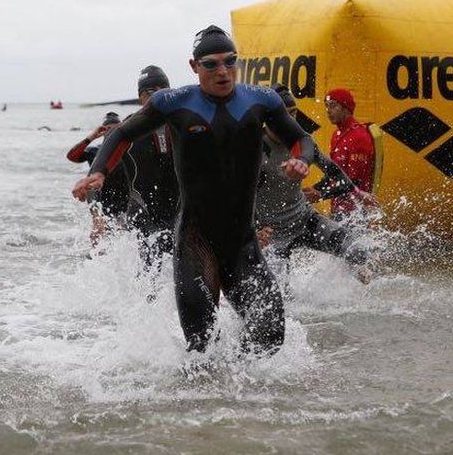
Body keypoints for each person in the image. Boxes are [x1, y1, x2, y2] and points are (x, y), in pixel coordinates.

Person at [72, 25, 315, 357]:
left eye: (230, 62)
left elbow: (301, 138)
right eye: (211, 64)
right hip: (194, 243)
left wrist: (301, 160)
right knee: (201, 350)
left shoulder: (261, 101)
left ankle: (243, 398)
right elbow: (121, 135)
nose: (223, 71)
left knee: (270, 336)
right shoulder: (174, 103)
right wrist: (98, 172)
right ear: (194, 66)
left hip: (242, 242)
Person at [255, 86, 365, 264]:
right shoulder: (254, 146)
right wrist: (256, 229)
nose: (290, 120)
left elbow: (341, 179)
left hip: (303, 220)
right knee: (278, 291)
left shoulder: (304, 142)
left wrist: (319, 192)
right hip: (271, 233)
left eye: (293, 113)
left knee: (357, 252)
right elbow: (237, 197)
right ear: (267, 118)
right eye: (284, 115)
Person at [122, 65, 179, 278]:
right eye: (150, 92)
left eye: (163, 89)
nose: (158, 95)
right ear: (140, 98)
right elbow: (106, 168)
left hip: (177, 210)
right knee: (148, 274)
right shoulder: (127, 128)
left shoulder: (183, 124)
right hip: (142, 212)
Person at [66, 112, 129, 244]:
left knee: (123, 231)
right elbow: (72, 156)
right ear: (103, 130)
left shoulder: (128, 149)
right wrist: (92, 137)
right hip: (101, 197)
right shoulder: (95, 151)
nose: (111, 131)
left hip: (125, 197)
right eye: (108, 128)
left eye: (115, 128)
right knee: (100, 231)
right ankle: (94, 258)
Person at [318, 88, 375, 220]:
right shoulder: (336, 135)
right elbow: (334, 174)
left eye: (333, 105)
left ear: (346, 108)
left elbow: (355, 182)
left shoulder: (359, 137)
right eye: (326, 106)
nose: (328, 110)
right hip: (338, 207)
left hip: (355, 212)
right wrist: (316, 188)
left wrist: (321, 194)